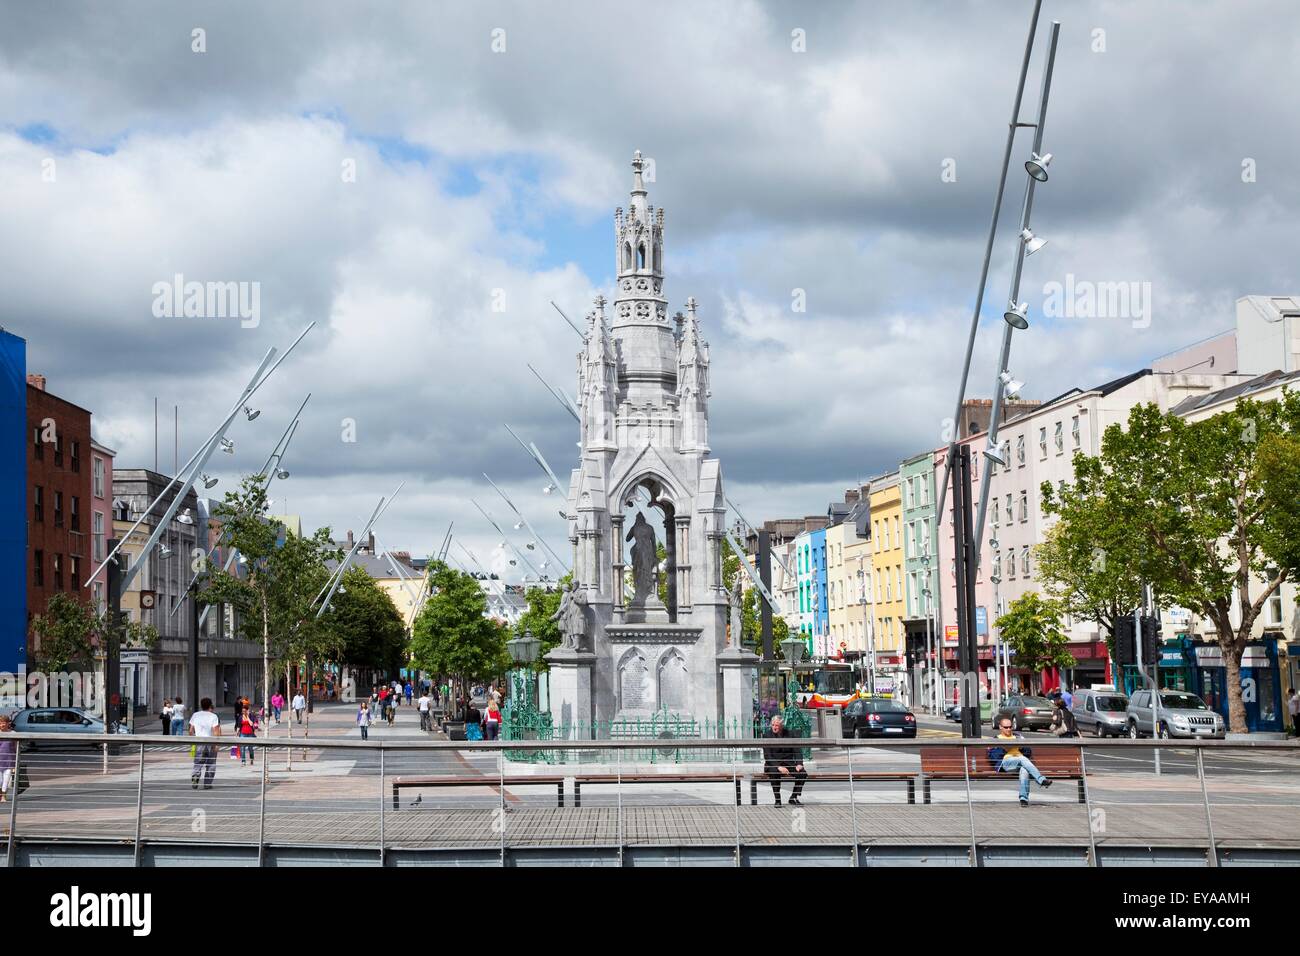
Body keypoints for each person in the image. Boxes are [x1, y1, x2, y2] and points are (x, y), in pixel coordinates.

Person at [989, 716, 1052, 806]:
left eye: (1010, 727)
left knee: (1025, 770)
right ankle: (1041, 780)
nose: (1009, 729)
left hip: (1021, 762)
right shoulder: (996, 739)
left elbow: (1028, 751)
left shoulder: (1018, 737)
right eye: (1006, 727)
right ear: (1000, 727)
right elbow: (993, 756)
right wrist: (1004, 748)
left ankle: (1023, 799)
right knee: (1022, 759)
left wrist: (1022, 747)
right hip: (1006, 763)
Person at [764, 715, 807, 806]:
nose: (774, 727)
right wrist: (779, 767)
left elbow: (797, 750)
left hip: (788, 763)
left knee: (802, 773)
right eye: (773, 725)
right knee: (774, 772)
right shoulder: (767, 735)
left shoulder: (790, 734)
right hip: (773, 764)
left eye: (777, 725)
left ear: (782, 726)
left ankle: (793, 797)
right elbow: (768, 756)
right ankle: (777, 800)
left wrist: (799, 763)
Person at [188, 698, 223, 790]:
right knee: (211, 763)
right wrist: (216, 744)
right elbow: (216, 731)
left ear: (201, 705)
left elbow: (191, 730)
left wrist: (193, 740)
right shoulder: (213, 716)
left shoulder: (195, 715)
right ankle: (207, 783)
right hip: (210, 742)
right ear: (210, 705)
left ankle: (195, 777)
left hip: (199, 742)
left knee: (198, 762)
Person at [0, 714, 17, 803]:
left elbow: (16, 747)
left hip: (9, 761)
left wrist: (15, 763)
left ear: (8, 723)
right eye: (0, 723)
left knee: (6, 781)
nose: (2, 725)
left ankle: (3, 796)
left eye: (3, 723)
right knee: (0, 781)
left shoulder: (12, 734)